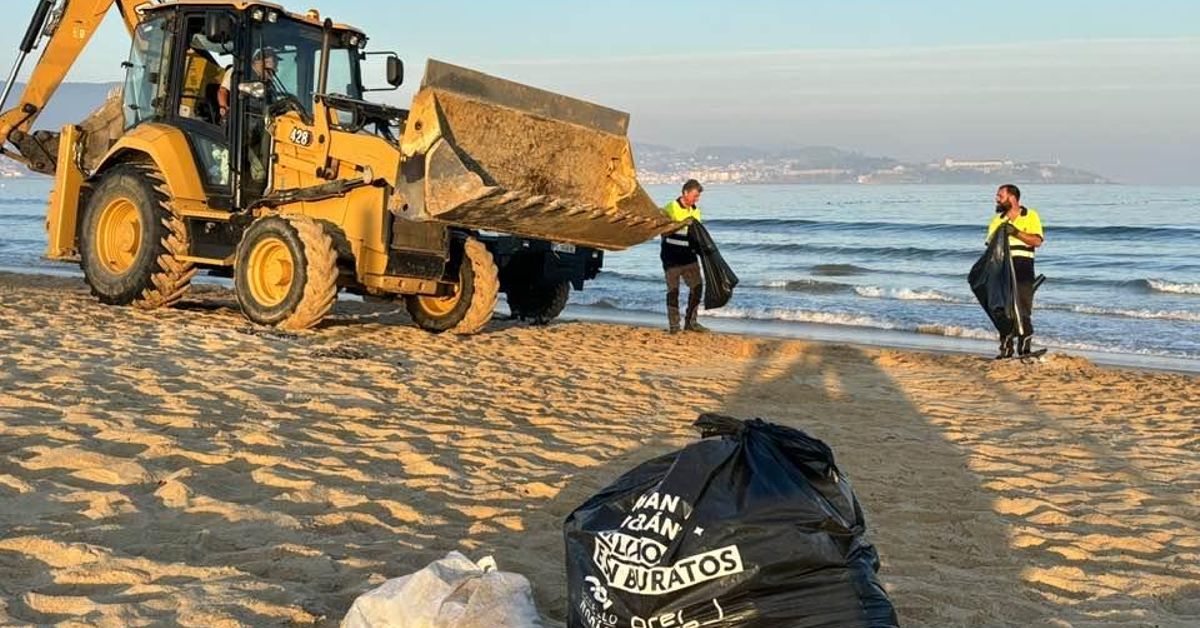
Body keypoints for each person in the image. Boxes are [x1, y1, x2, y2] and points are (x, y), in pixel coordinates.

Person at [987, 184, 1045, 357]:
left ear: (1012, 198)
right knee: (1003, 310)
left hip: (1023, 267)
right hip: (1001, 268)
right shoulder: (997, 220)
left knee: (1022, 308)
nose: (997, 199)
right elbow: (990, 246)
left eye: (1000, 196)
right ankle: (1005, 349)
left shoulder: (1031, 215)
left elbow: (1037, 241)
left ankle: (1024, 348)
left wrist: (1015, 232)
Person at [660, 179, 708, 334]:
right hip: (671, 257)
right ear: (685, 193)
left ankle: (691, 322)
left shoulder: (696, 210)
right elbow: (663, 231)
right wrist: (682, 223)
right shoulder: (670, 208)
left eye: (698, 197)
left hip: (689, 257)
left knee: (697, 288)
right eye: (694, 196)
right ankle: (674, 325)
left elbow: (697, 235)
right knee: (673, 290)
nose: (696, 199)